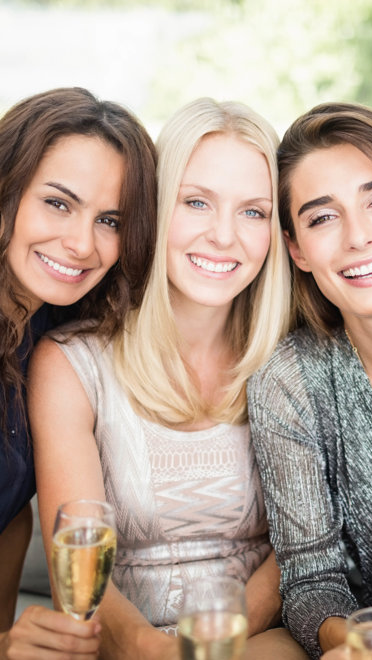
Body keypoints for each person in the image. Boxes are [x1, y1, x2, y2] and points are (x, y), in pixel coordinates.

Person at [29, 97, 307, 659]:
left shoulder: (291, 362)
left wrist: (202, 645)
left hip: (257, 639)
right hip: (124, 646)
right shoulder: (69, 363)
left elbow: (302, 555)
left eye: (252, 212)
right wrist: (148, 651)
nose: (224, 236)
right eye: (197, 202)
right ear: (154, 209)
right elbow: (78, 568)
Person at [246, 102, 372, 660]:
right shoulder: (288, 378)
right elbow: (312, 581)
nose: (358, 237)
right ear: (296, 250)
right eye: (322, 217)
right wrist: (364, 647)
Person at [0, 86, 157, 658]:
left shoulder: (51, 337)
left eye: (110, 219)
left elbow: (11, 512)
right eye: (58, 203)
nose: (81, 244)